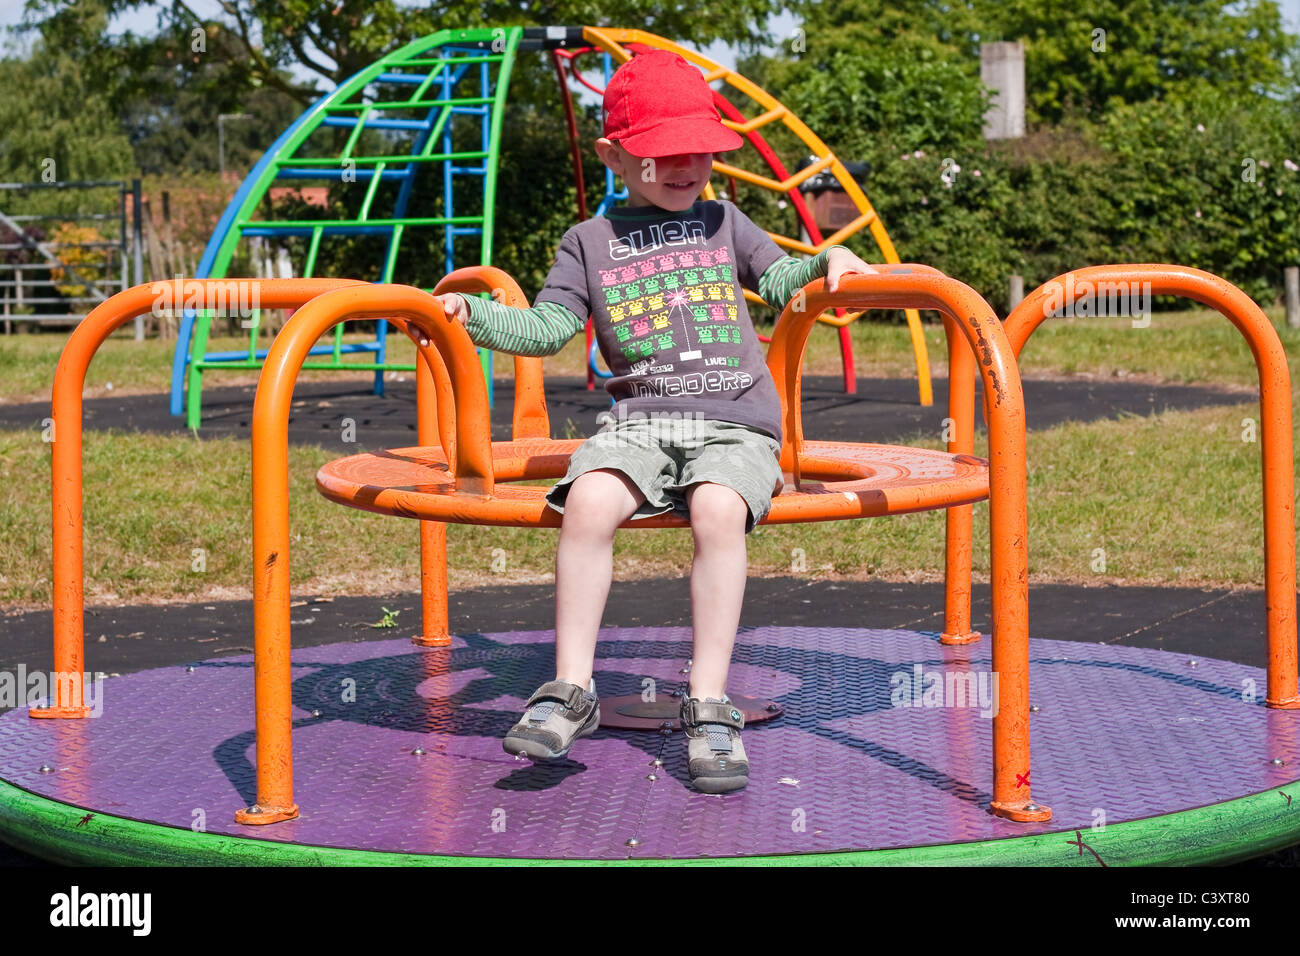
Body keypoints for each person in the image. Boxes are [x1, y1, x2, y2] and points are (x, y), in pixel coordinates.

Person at [431, 49, 876, 793]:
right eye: (663, 150)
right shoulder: (589, 243)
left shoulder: (723, 222)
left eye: (700, 147)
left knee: (717, 509)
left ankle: (707, 702)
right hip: (641, 423)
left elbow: (777, 278)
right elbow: (546, 329)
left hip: (734, 421)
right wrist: (469, 315)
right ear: (614, 154)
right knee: (591, 503)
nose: (686, 163)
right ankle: (571, 688)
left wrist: (830, 260)